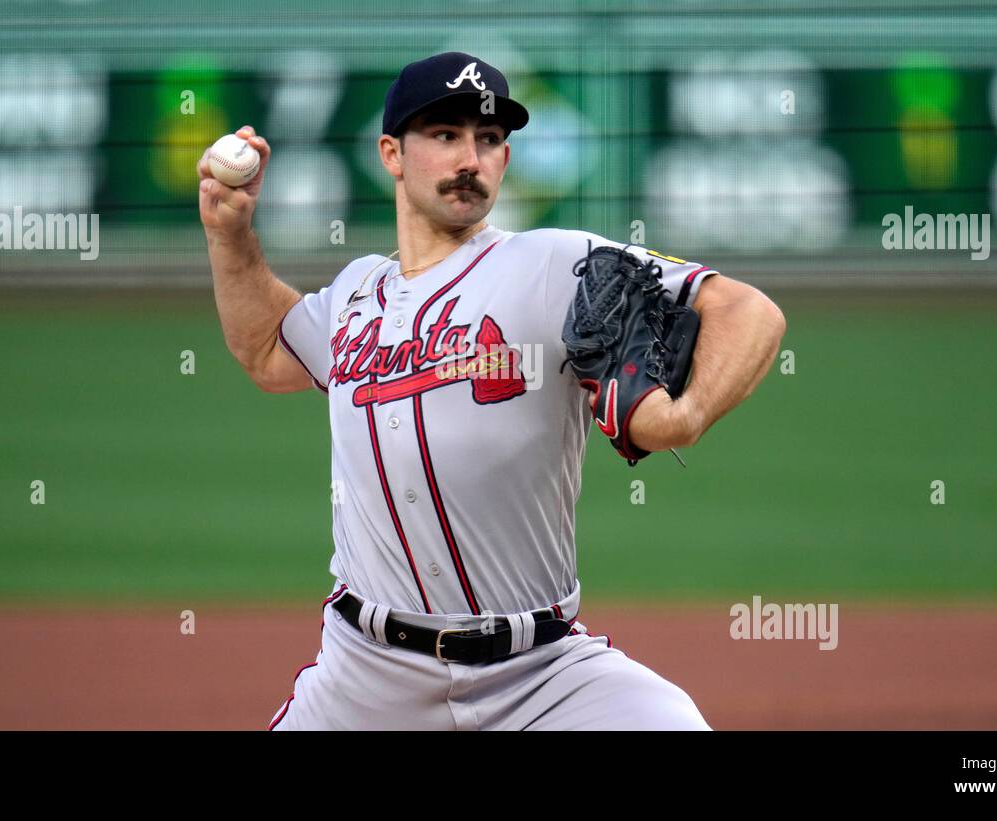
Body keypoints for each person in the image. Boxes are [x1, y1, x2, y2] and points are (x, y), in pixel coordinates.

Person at [197, 52, 786, 730]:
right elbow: (267, 347)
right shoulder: (358, 291)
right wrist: (229, 234)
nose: (470, 158)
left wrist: (685, 415)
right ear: (392, 153)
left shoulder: (554, 262)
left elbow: (749, 311)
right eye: (445, 135)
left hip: (540, 674)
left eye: (489, 139)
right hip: (365, 679)